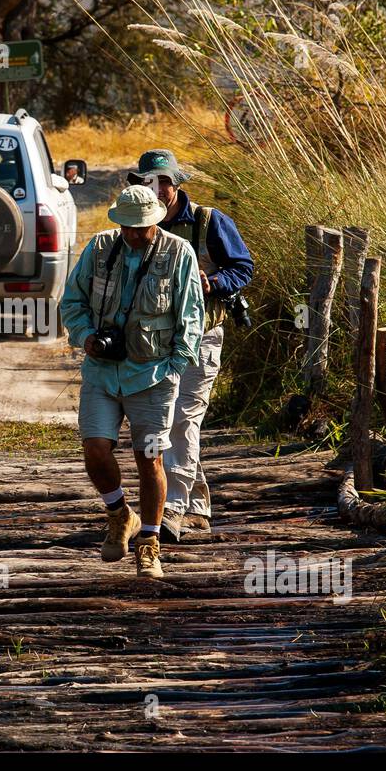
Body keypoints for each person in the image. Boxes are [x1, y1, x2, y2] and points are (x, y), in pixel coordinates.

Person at [60, 184, 203, 578]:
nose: (135, 234)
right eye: (128, 226)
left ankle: (150, 545)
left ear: (156, 220)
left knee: (150, 458)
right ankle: (120, 514)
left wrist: (175, 369)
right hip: (102, 374)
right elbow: (71, 301)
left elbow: (191, 317)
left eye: (142, 227)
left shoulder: (178, 253)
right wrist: (85, 335)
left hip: (153, 377)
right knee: (95, 450)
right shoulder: (100, 248)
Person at [127, 149, 254, 541]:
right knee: (165, 421)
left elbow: (243, 267)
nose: (158, 188)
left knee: (183, 418)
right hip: (155, 343)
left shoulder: (208, 221)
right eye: (150, 181)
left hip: (202, 338)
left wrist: (212, 283)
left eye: (164, 181)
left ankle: (172, 509)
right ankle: (198, 506)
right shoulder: (135, 222)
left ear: (177, 183)